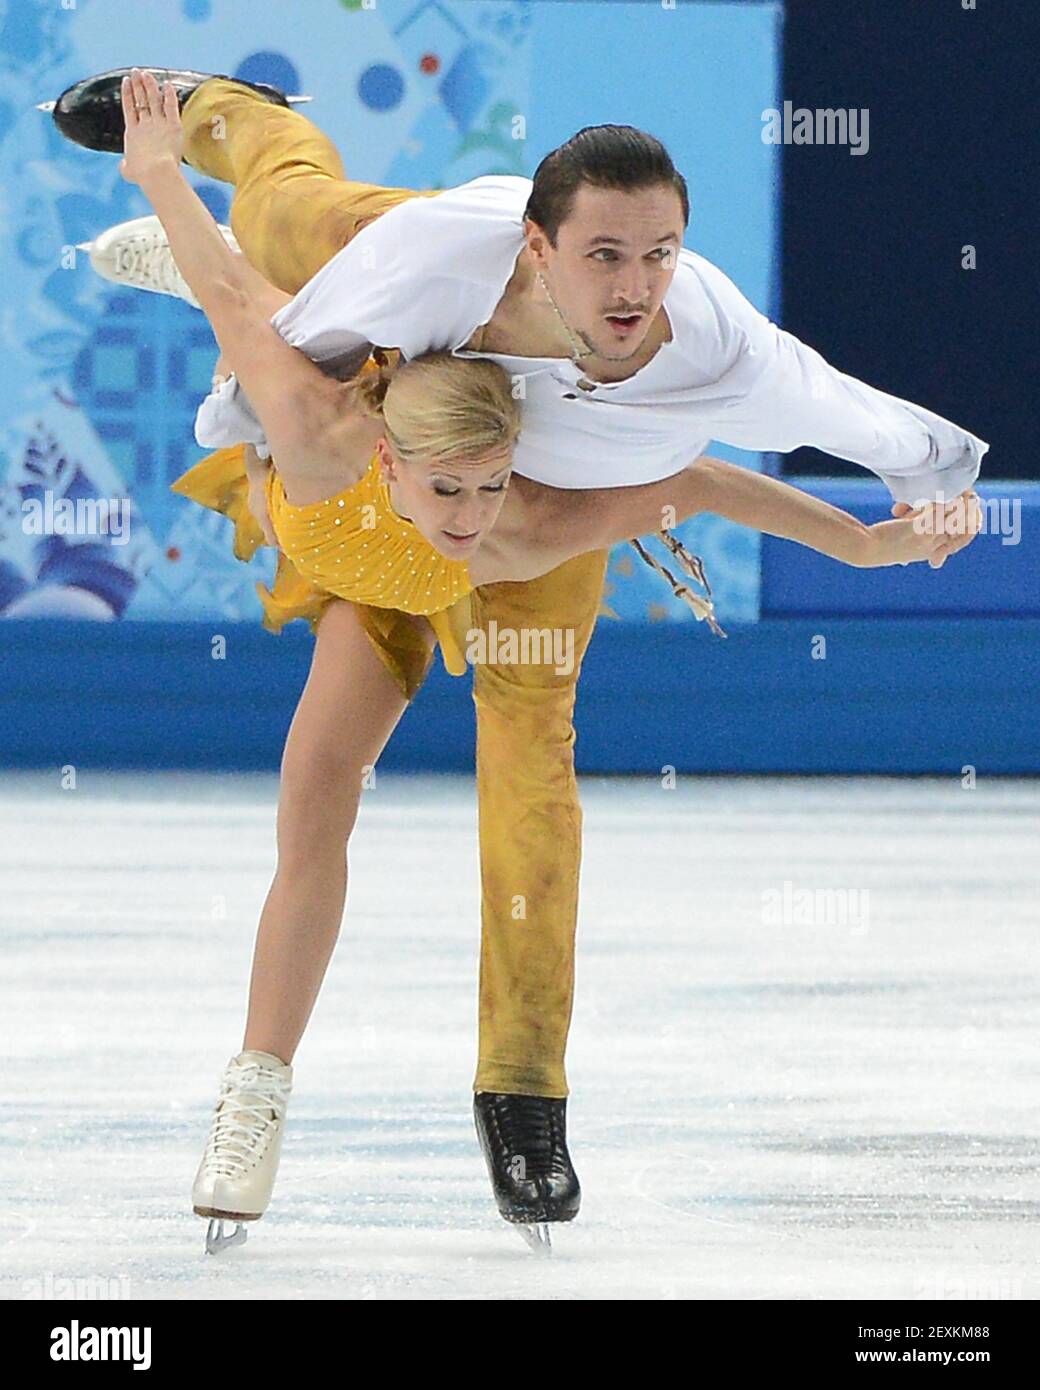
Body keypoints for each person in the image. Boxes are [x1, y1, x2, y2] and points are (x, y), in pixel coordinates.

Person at [51, 66, 986, 1250]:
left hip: (494, 523)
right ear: (539, 249)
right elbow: (247, 306)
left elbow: (728, 464)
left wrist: (888, 521)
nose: (637, 286)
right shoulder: (370, 364)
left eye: (658, 256)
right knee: (293, 223)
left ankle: (524, 1091)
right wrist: (161, 173)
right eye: (604, 256)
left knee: (530, 763)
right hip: (353, 433)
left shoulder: (574, 471)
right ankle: (225, 106)